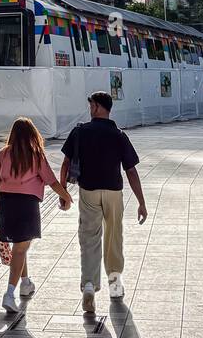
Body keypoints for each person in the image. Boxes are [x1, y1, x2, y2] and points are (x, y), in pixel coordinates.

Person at [61, 91, 147, 314]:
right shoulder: (119, 135)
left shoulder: (80, 131)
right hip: (113, 192)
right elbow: (131, 170)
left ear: (98, 107)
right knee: (113, 235)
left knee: (89, 238)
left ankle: (89, 286)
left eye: (91, 106)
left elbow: (65, 163)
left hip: (88, 191)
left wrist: (63, 192)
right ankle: (115, 282)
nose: (90, 109)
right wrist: (141, 201)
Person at [0, 116, 72, 313]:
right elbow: (51, 181)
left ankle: (25, 283)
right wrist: (66, 197)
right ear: (33, 135)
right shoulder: (36, 155)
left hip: (7, 203)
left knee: (19, 245)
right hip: (27, 205)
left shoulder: (3, 154)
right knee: (20, 248)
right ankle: (9, 294)